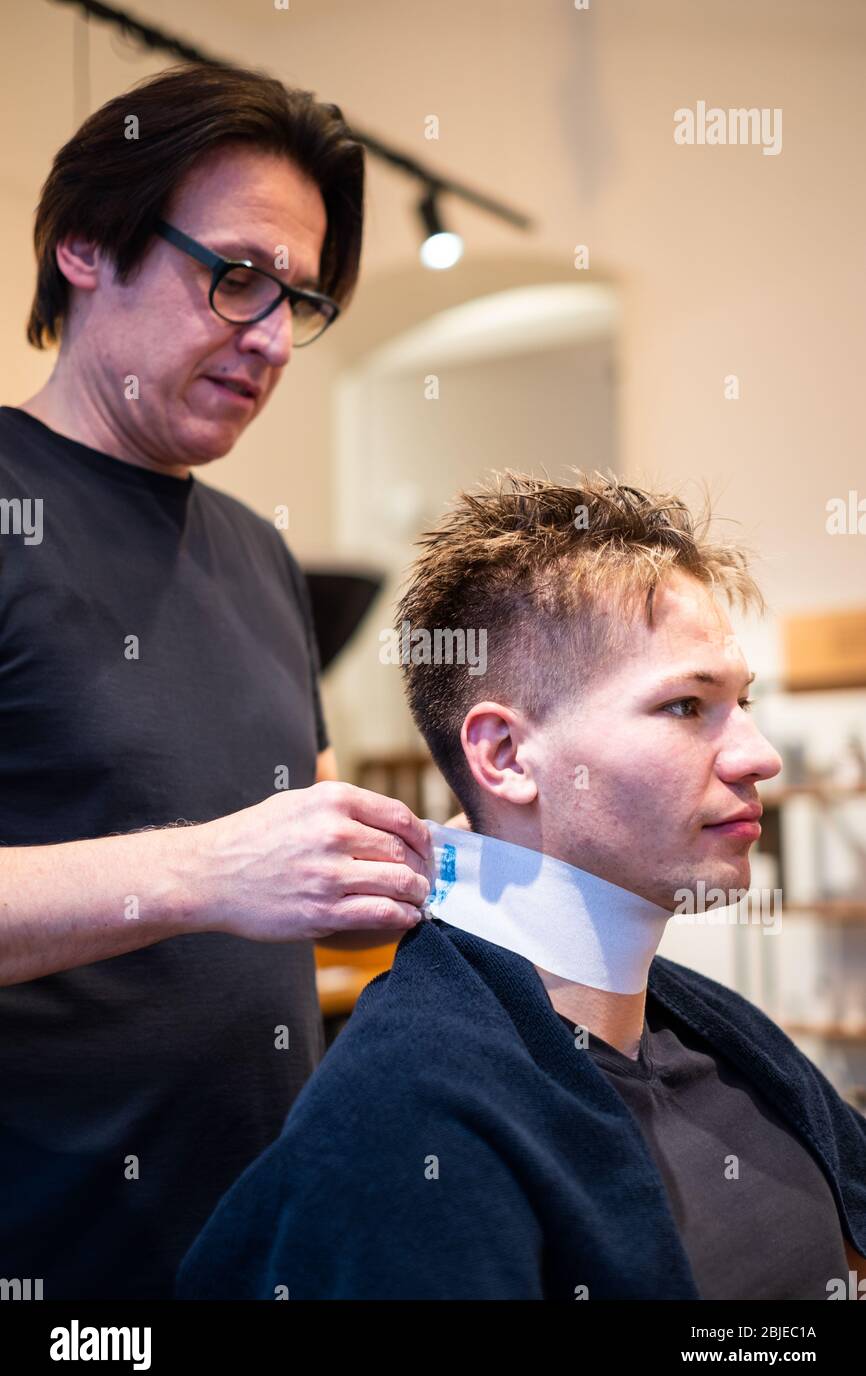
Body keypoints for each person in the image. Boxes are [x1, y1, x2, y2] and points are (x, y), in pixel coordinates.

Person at [176, 472, 866, 1300]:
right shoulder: (403, 1130)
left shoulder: (729, 1041)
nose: (759, 755)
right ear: (503, 756)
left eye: (741, 702)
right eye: (686, 706)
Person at [0, 61, 432, 1300]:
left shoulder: (256, 552)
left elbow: (321, 876)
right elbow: (233, 869)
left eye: (298, 300)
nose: (271, 338)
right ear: (86, 244)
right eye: (235, 276)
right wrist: (206, 871)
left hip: (257, 1244)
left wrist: (441, 860)